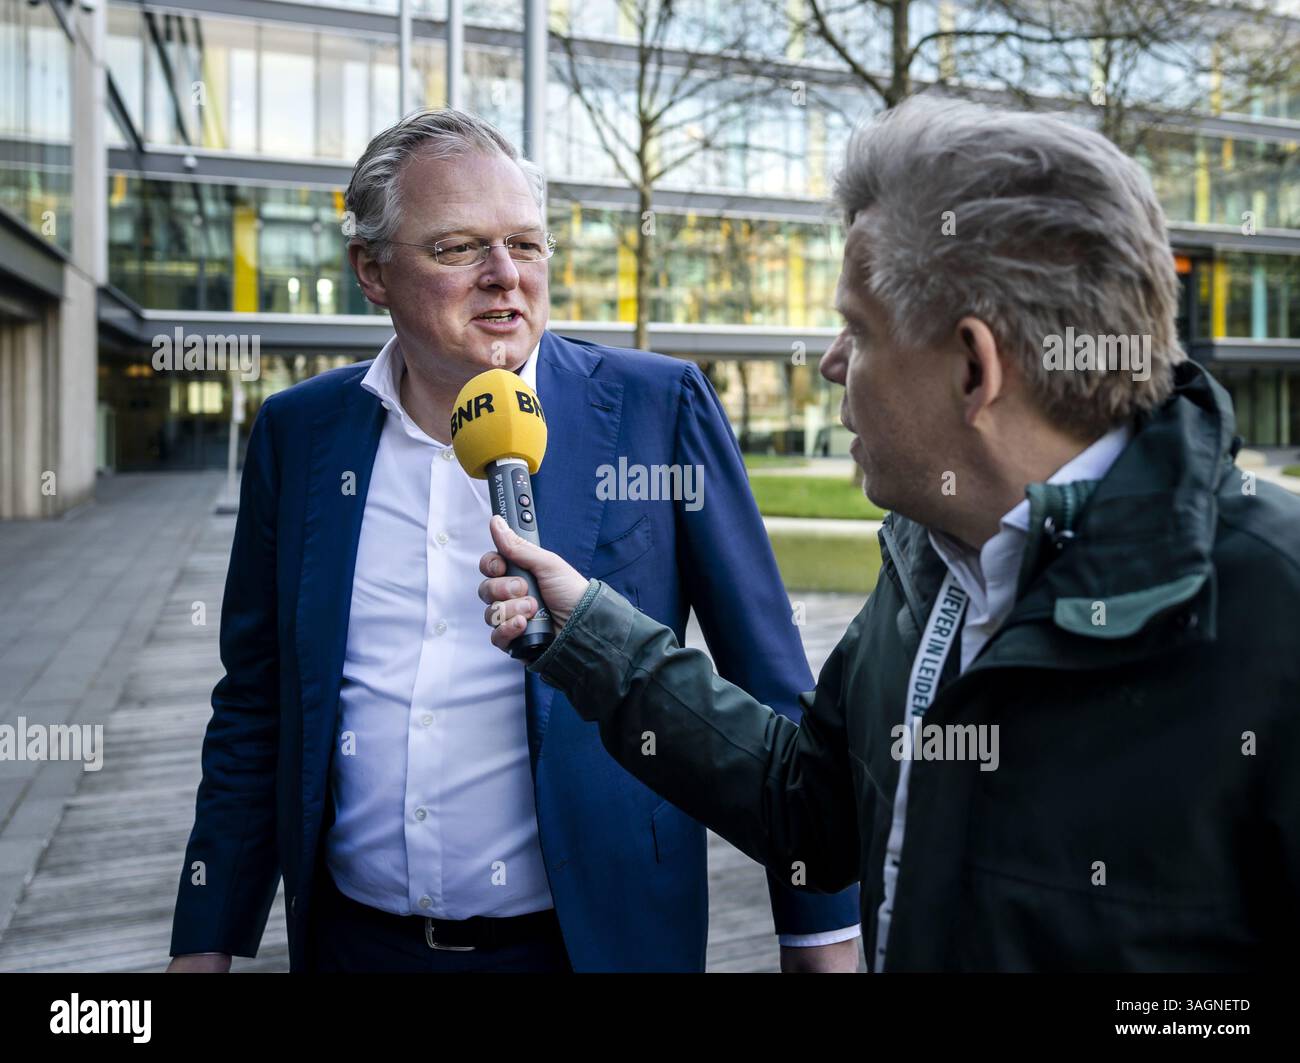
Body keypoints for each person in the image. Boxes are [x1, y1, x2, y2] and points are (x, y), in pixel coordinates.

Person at [477, 96, 1300, 972]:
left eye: (857, 329)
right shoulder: (931, 558)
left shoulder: (1272, 613)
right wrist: (591, 630)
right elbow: (808, 807)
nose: (831, 362)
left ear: (975, 368)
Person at [166, 109, 860, 973]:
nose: (505, 277)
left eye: (526, 246)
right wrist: (204, 940)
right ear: (371, 270)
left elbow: (772, 685)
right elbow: (254, 703)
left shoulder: (659, 408)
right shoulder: (299, 434)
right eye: (459, 248)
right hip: (355, 945)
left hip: (597, 948)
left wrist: (821, 936)